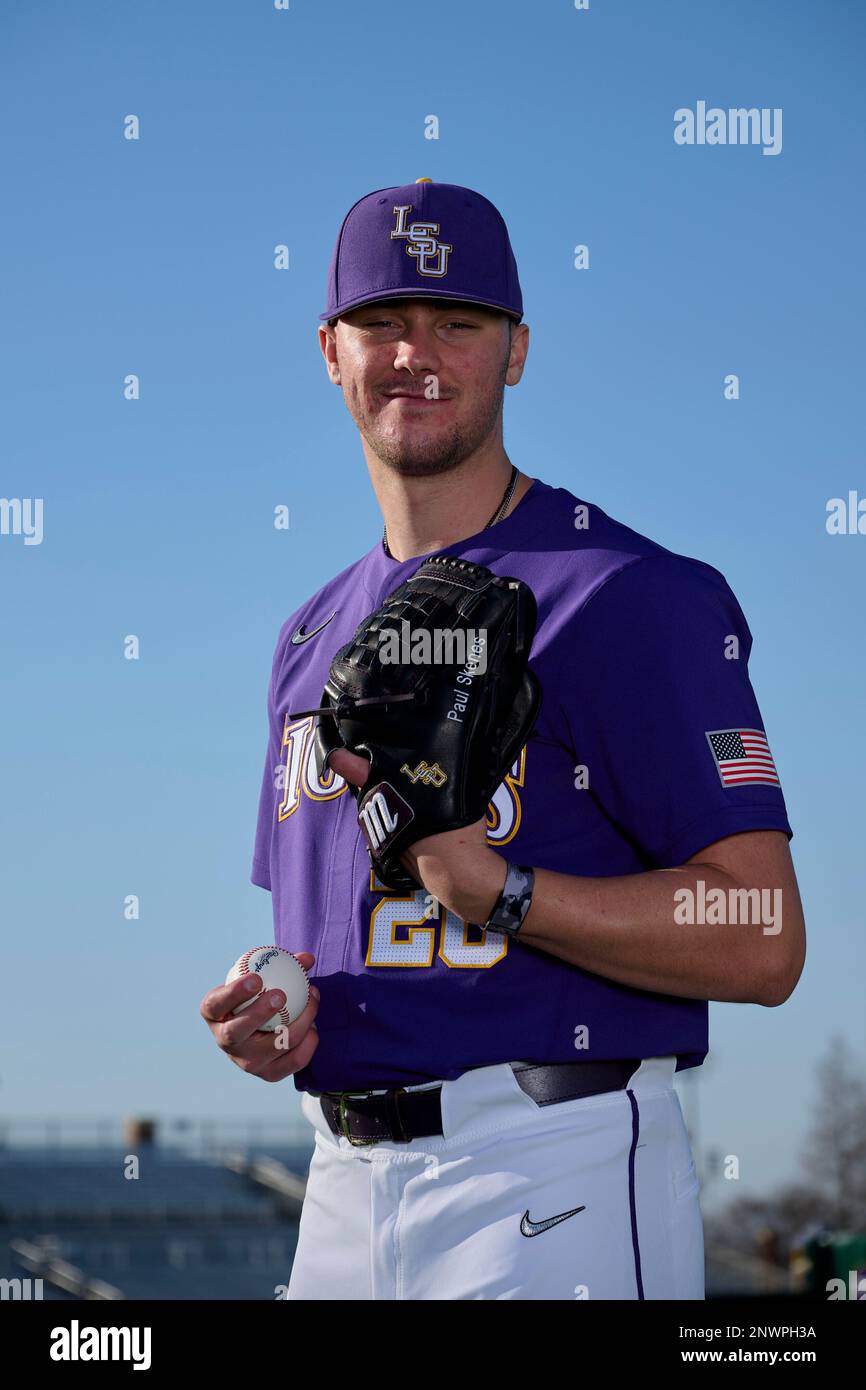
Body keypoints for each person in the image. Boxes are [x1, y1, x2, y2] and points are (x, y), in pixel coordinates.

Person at [200, 179, 806, 1300]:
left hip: (546, 1163)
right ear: (329, 351)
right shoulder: (305, 637)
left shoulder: (629, 595)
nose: (414, 354)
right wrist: (273, 1009)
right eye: (381, 322)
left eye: (456, 322)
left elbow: (762, 932)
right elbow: (349, 934)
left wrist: (503, 891)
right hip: (335, 1179)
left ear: (515, 351)